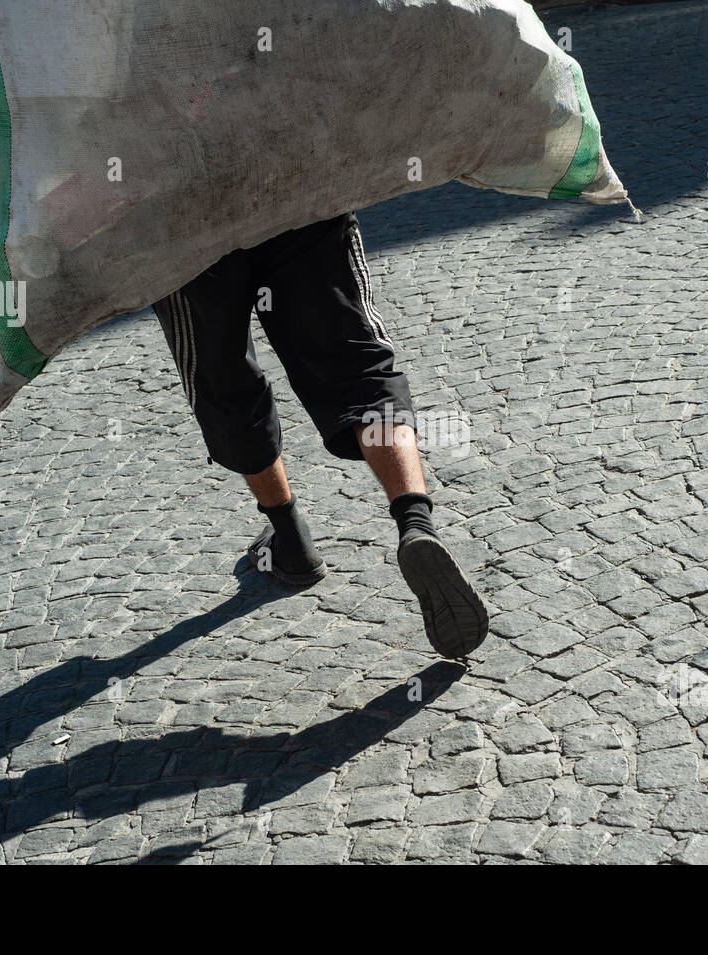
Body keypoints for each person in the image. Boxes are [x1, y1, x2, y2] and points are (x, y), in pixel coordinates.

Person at [152, 212, 488, 659]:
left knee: (224, 382)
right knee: (356, 363)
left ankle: (291, 541)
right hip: (296, 186)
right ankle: (414, 523)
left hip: (180, 216)